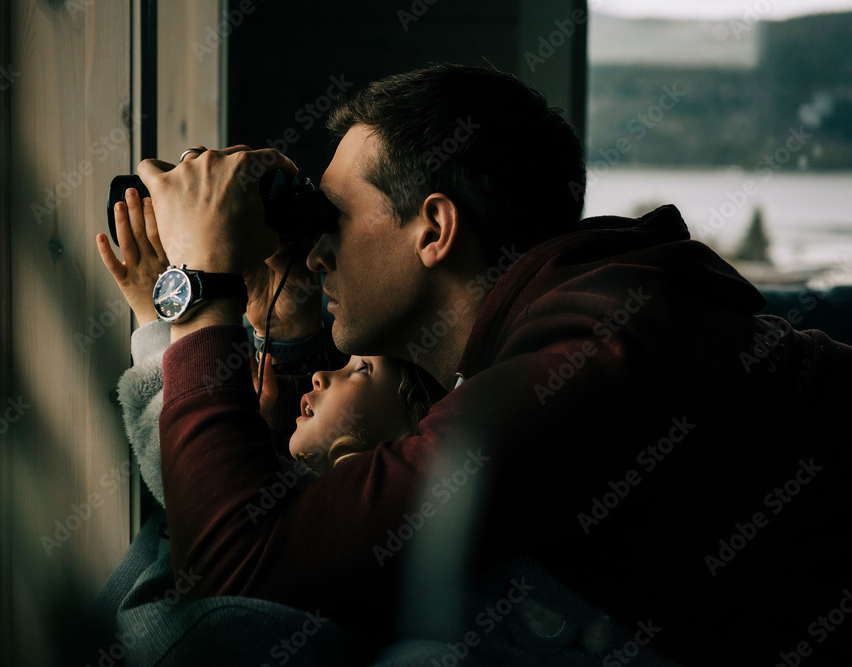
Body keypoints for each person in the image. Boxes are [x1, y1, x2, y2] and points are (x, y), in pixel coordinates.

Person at [131, 63, 852, 664]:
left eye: (334, 222)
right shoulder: (574, 319)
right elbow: (300, 522)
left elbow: (238, 568)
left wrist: (198, 290)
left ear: (436, 229)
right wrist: (282, 329)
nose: (316, 252)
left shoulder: (589, 360)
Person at [96, 187, 447, 501]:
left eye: (363, 369)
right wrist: (280, 336)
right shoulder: (341, 507)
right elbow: (275, 477)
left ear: (407, 434)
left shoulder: (355, 512)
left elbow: (201, 483)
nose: (320, 375)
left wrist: (166, 313)